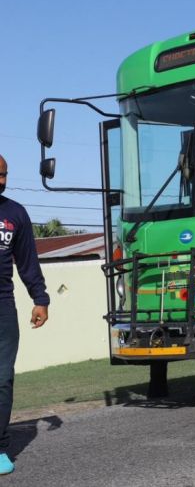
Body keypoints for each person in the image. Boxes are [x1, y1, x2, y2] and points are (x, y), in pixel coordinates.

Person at [0, 154, 50, 475]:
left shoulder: (15, 214)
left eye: (3, 174)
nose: (0, 181)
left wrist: (40, 298)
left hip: (2, 308)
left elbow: (28, 261)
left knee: (2, 378)